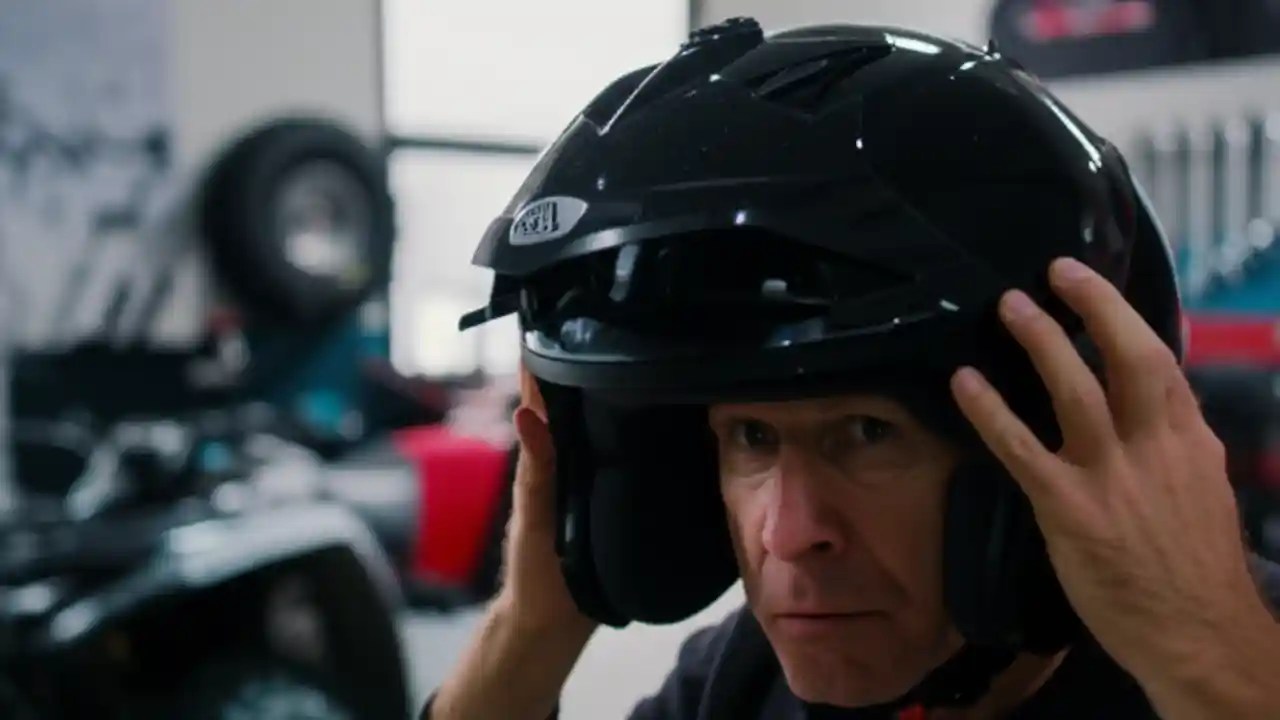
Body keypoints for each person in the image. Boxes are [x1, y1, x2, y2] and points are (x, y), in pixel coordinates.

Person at [426, 19, 1280, 719]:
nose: (788, 535)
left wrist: (1212, 669)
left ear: (1040, 455)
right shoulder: (742, 685)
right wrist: (531, 631)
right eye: (752, 437)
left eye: (867, 433)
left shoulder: (1236, 671)